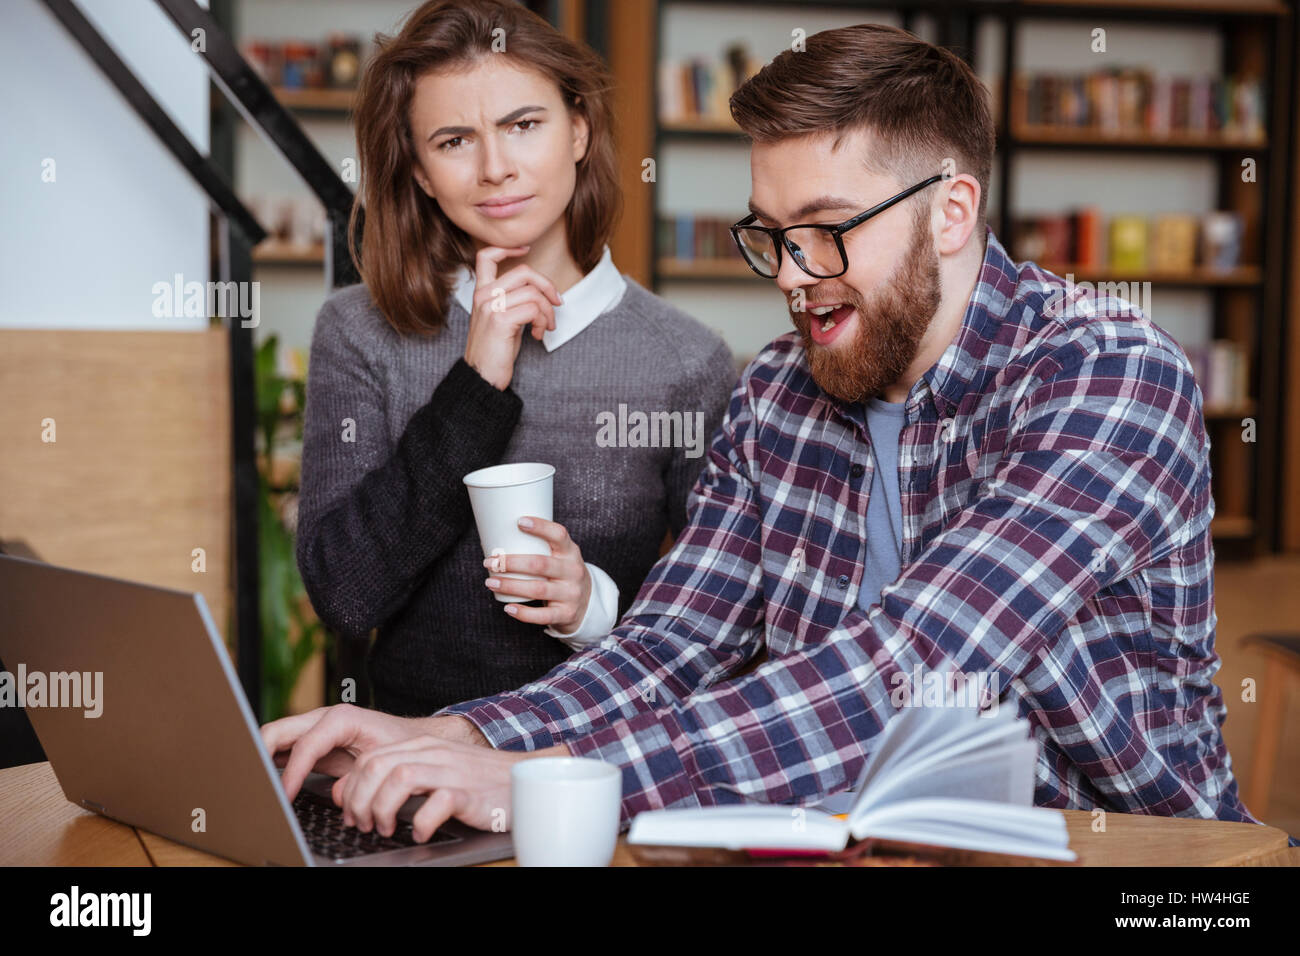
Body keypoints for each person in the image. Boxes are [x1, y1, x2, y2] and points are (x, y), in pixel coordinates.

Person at [266, 22, 1282, 847]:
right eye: (772, 234)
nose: (794, 273)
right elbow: (672, 644)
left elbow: (913, 659)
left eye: (827, 228)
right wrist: (457, 732)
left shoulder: (1105, 368)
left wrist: (538, 780)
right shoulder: (778, 394)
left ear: (951, 212)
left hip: (1129, 858)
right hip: (846, 835)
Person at [294, 0, 734, 717]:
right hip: (410, 772)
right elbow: (345, 595)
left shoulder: (686, 361)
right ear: (420, 172)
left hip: (598, 767)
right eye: (454, 140)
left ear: (579, 131)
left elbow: (722, 623)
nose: (496, 169)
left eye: (523, 126)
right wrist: (476, 383)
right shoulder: (358, 331)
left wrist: (593, 609)